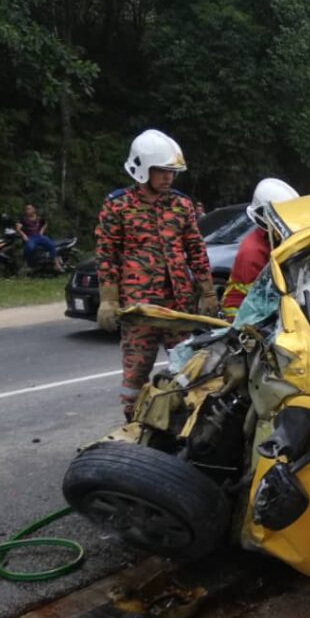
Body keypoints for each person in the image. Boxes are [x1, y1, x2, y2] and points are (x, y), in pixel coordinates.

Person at [95, 128, 216, 419]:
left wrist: (208, 292)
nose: (168, 178)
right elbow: (106, 254)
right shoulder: (118, 205)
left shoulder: (181, 205)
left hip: (178, 306)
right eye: (162, 171)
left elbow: (196, 250)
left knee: (187, 369)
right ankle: (134, 423)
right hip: (141, 309)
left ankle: (183, 423)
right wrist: (108, 299)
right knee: (136, 372)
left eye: (172, 172)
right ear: (142, 169)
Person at [220, 177, 300, 320]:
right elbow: (261, 298)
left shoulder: (269, 240)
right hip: (241, 316)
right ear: (265, 216)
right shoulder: (253, 252)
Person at [17, 204, 64, 273]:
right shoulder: (23, 219)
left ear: (34, 210)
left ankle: (57, 264)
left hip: (39, 236)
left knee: (51, 245)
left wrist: (41, 231)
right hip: (31, 237)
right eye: (26, 209)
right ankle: (28, 265)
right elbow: (18, 228)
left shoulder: (39, 218)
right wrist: (24, 235)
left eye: (29, 209)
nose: (27, 211)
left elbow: (45, 223)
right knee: (29, 248)